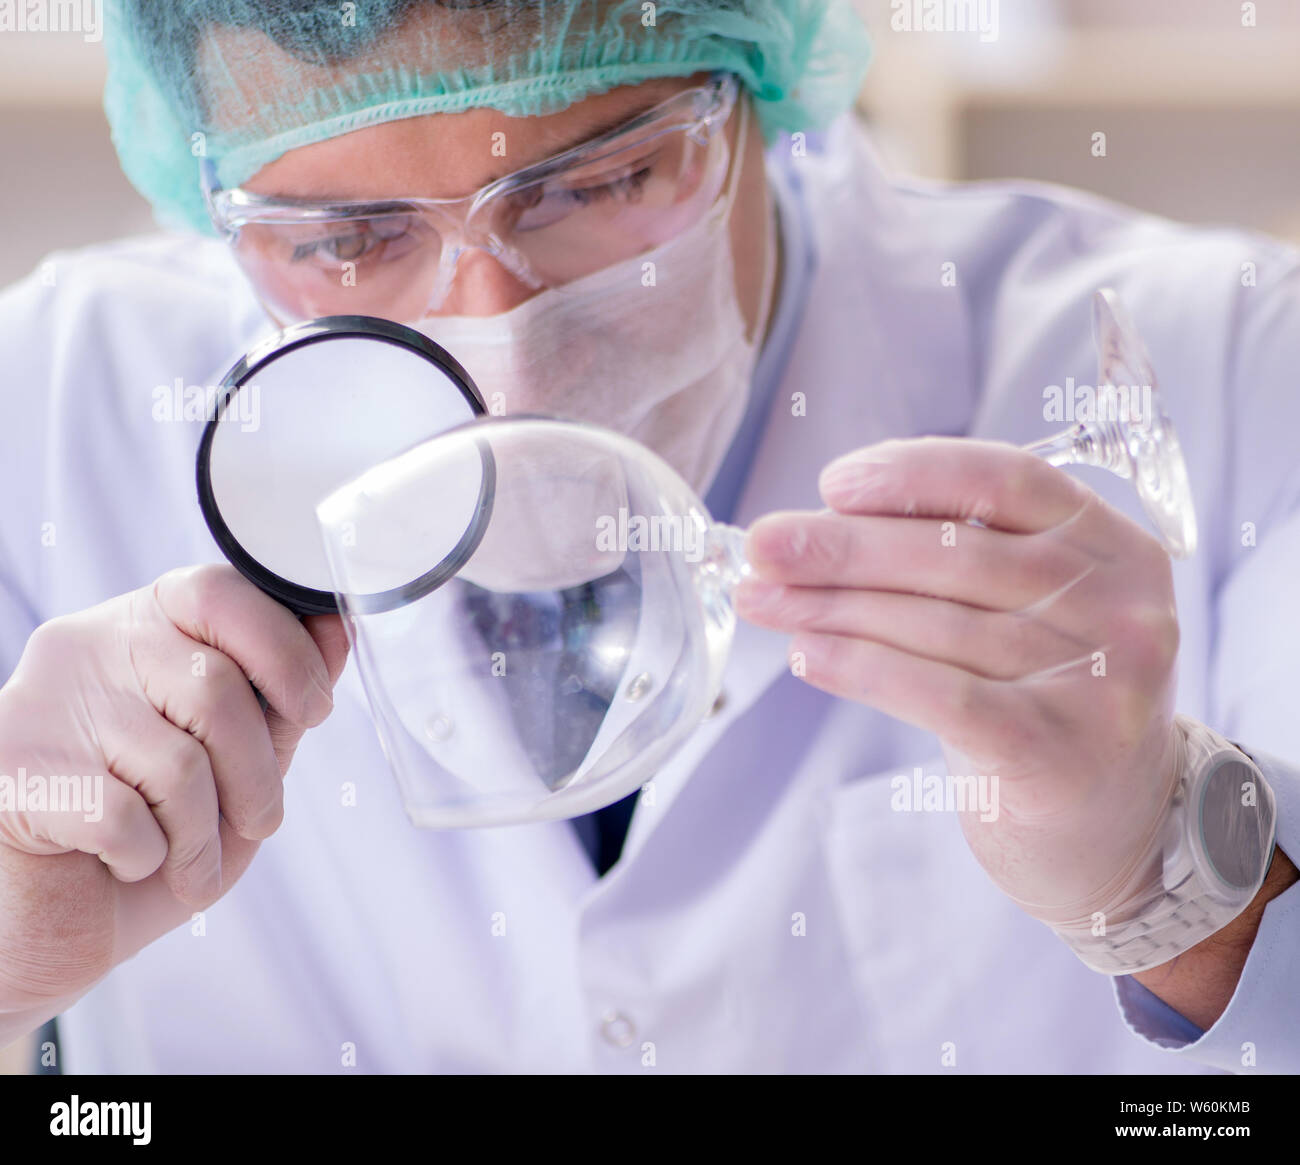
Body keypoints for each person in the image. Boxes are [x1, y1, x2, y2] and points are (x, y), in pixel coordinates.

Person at [0, 0, 1296, 1074]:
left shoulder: (1233, 366)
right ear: (218, 192)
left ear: (752, 82)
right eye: (344, 244)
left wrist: (1168, 878)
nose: (499, 351)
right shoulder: (55, 407)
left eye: (606, 179)